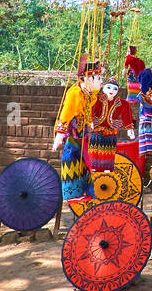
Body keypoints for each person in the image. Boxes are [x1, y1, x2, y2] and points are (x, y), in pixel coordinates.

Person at [53, 58, 104, 206]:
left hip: (84, 134)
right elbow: (66, 114)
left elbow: (88, 111)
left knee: (86, 162)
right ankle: (72, 193)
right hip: (75, 133)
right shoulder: (75, 93)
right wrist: (59, 136)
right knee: (71, 159)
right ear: (88, 79)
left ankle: (85, 192)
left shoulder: (90, 94)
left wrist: (90, 123)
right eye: (99, 78)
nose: (101, 82)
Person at [88, 78, 135, 172]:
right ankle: (92, 167)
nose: (111, 91)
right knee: (94, 149)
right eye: (109, 87)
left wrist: (129, 129)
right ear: (103, 88)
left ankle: (107, 169)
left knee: (108, 151)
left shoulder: (123, 103)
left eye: (115, 89)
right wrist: (91, 121)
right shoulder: (96, 99)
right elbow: (89, 109)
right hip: (96, 129)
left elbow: (127, 116)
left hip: (110, 131)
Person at [123, 45, 146, 114]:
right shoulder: (140, 61)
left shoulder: (129, 57)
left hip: (133, 75)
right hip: (139, 77)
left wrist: (125, 70)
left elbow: (126, 65)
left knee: (131, 87)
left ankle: (131, 99)